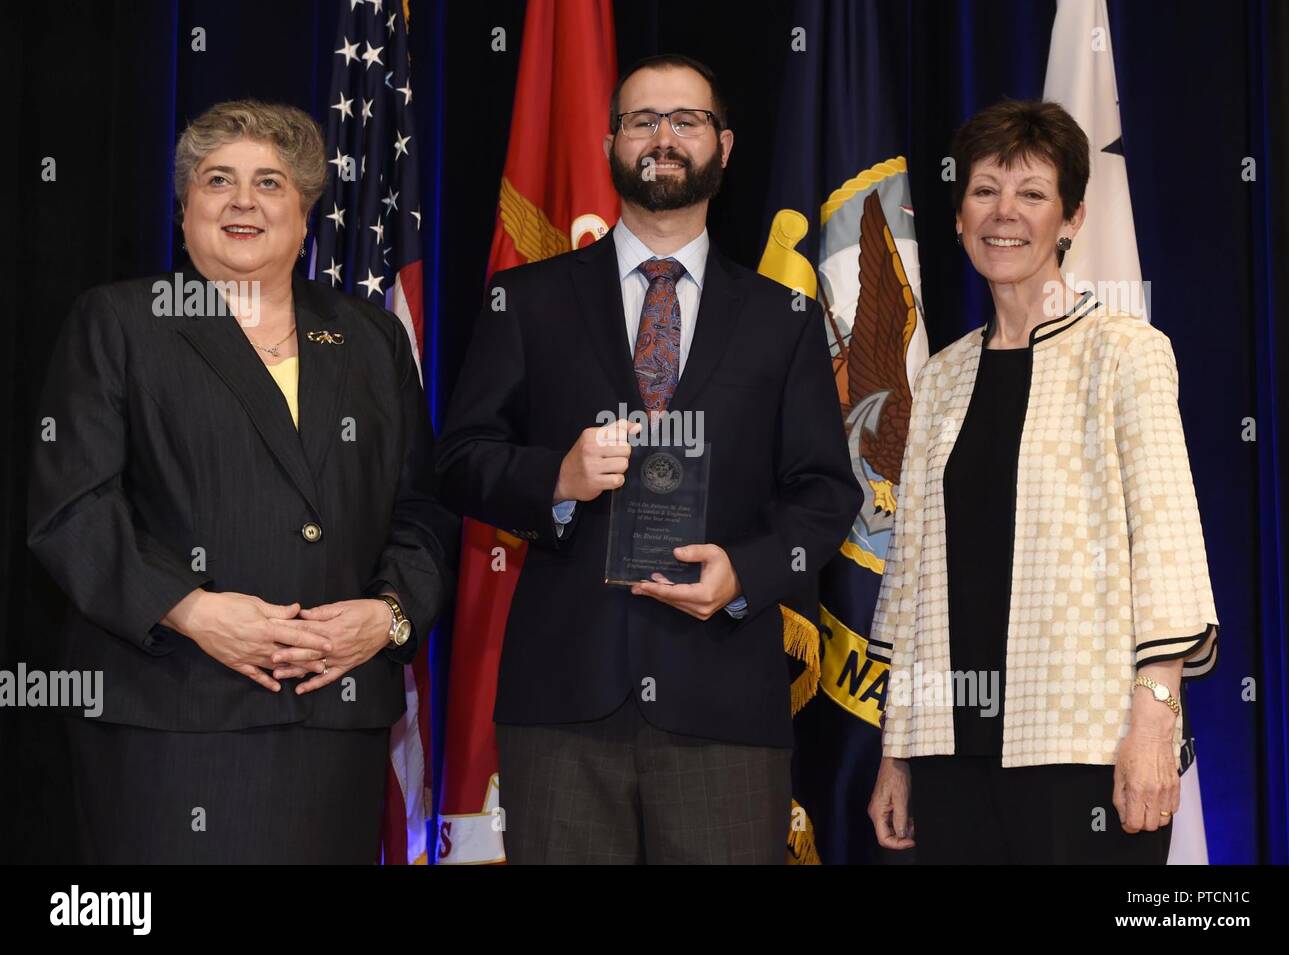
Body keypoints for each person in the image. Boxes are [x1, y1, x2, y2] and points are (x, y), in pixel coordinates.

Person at [436, 55, 862, 864]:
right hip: (562, 706)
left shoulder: (786, 318)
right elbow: (458, 460)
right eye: (642, 121)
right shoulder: (526, 300)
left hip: (725, 706)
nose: (663, 138)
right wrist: (555, 478)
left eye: (685, 121)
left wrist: (744, 571)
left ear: (724, 146)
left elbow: (824, 491)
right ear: (611, 142)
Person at [28, 100, 458, 863]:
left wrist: (389, 616)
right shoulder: (121, 322)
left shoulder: (369, 336)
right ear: (185, 208)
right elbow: (73, 513)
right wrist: (189, 610)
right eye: (217, 179)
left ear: (305, 213)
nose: (242, 200)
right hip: (172, 713)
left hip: (335, 719)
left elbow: (421, 511)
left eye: (269, 183)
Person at [866, 99, 1220, 864]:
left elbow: (1167, 543)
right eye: (984, 191)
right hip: (950, 750)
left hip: (1085, 746)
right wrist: (897, 751)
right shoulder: (941, 376)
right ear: (958, 216)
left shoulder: (1127, 352)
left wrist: (1155, 722)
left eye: (1031, 193)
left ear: (1071, 218)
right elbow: (909, 580)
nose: (1005, 213)